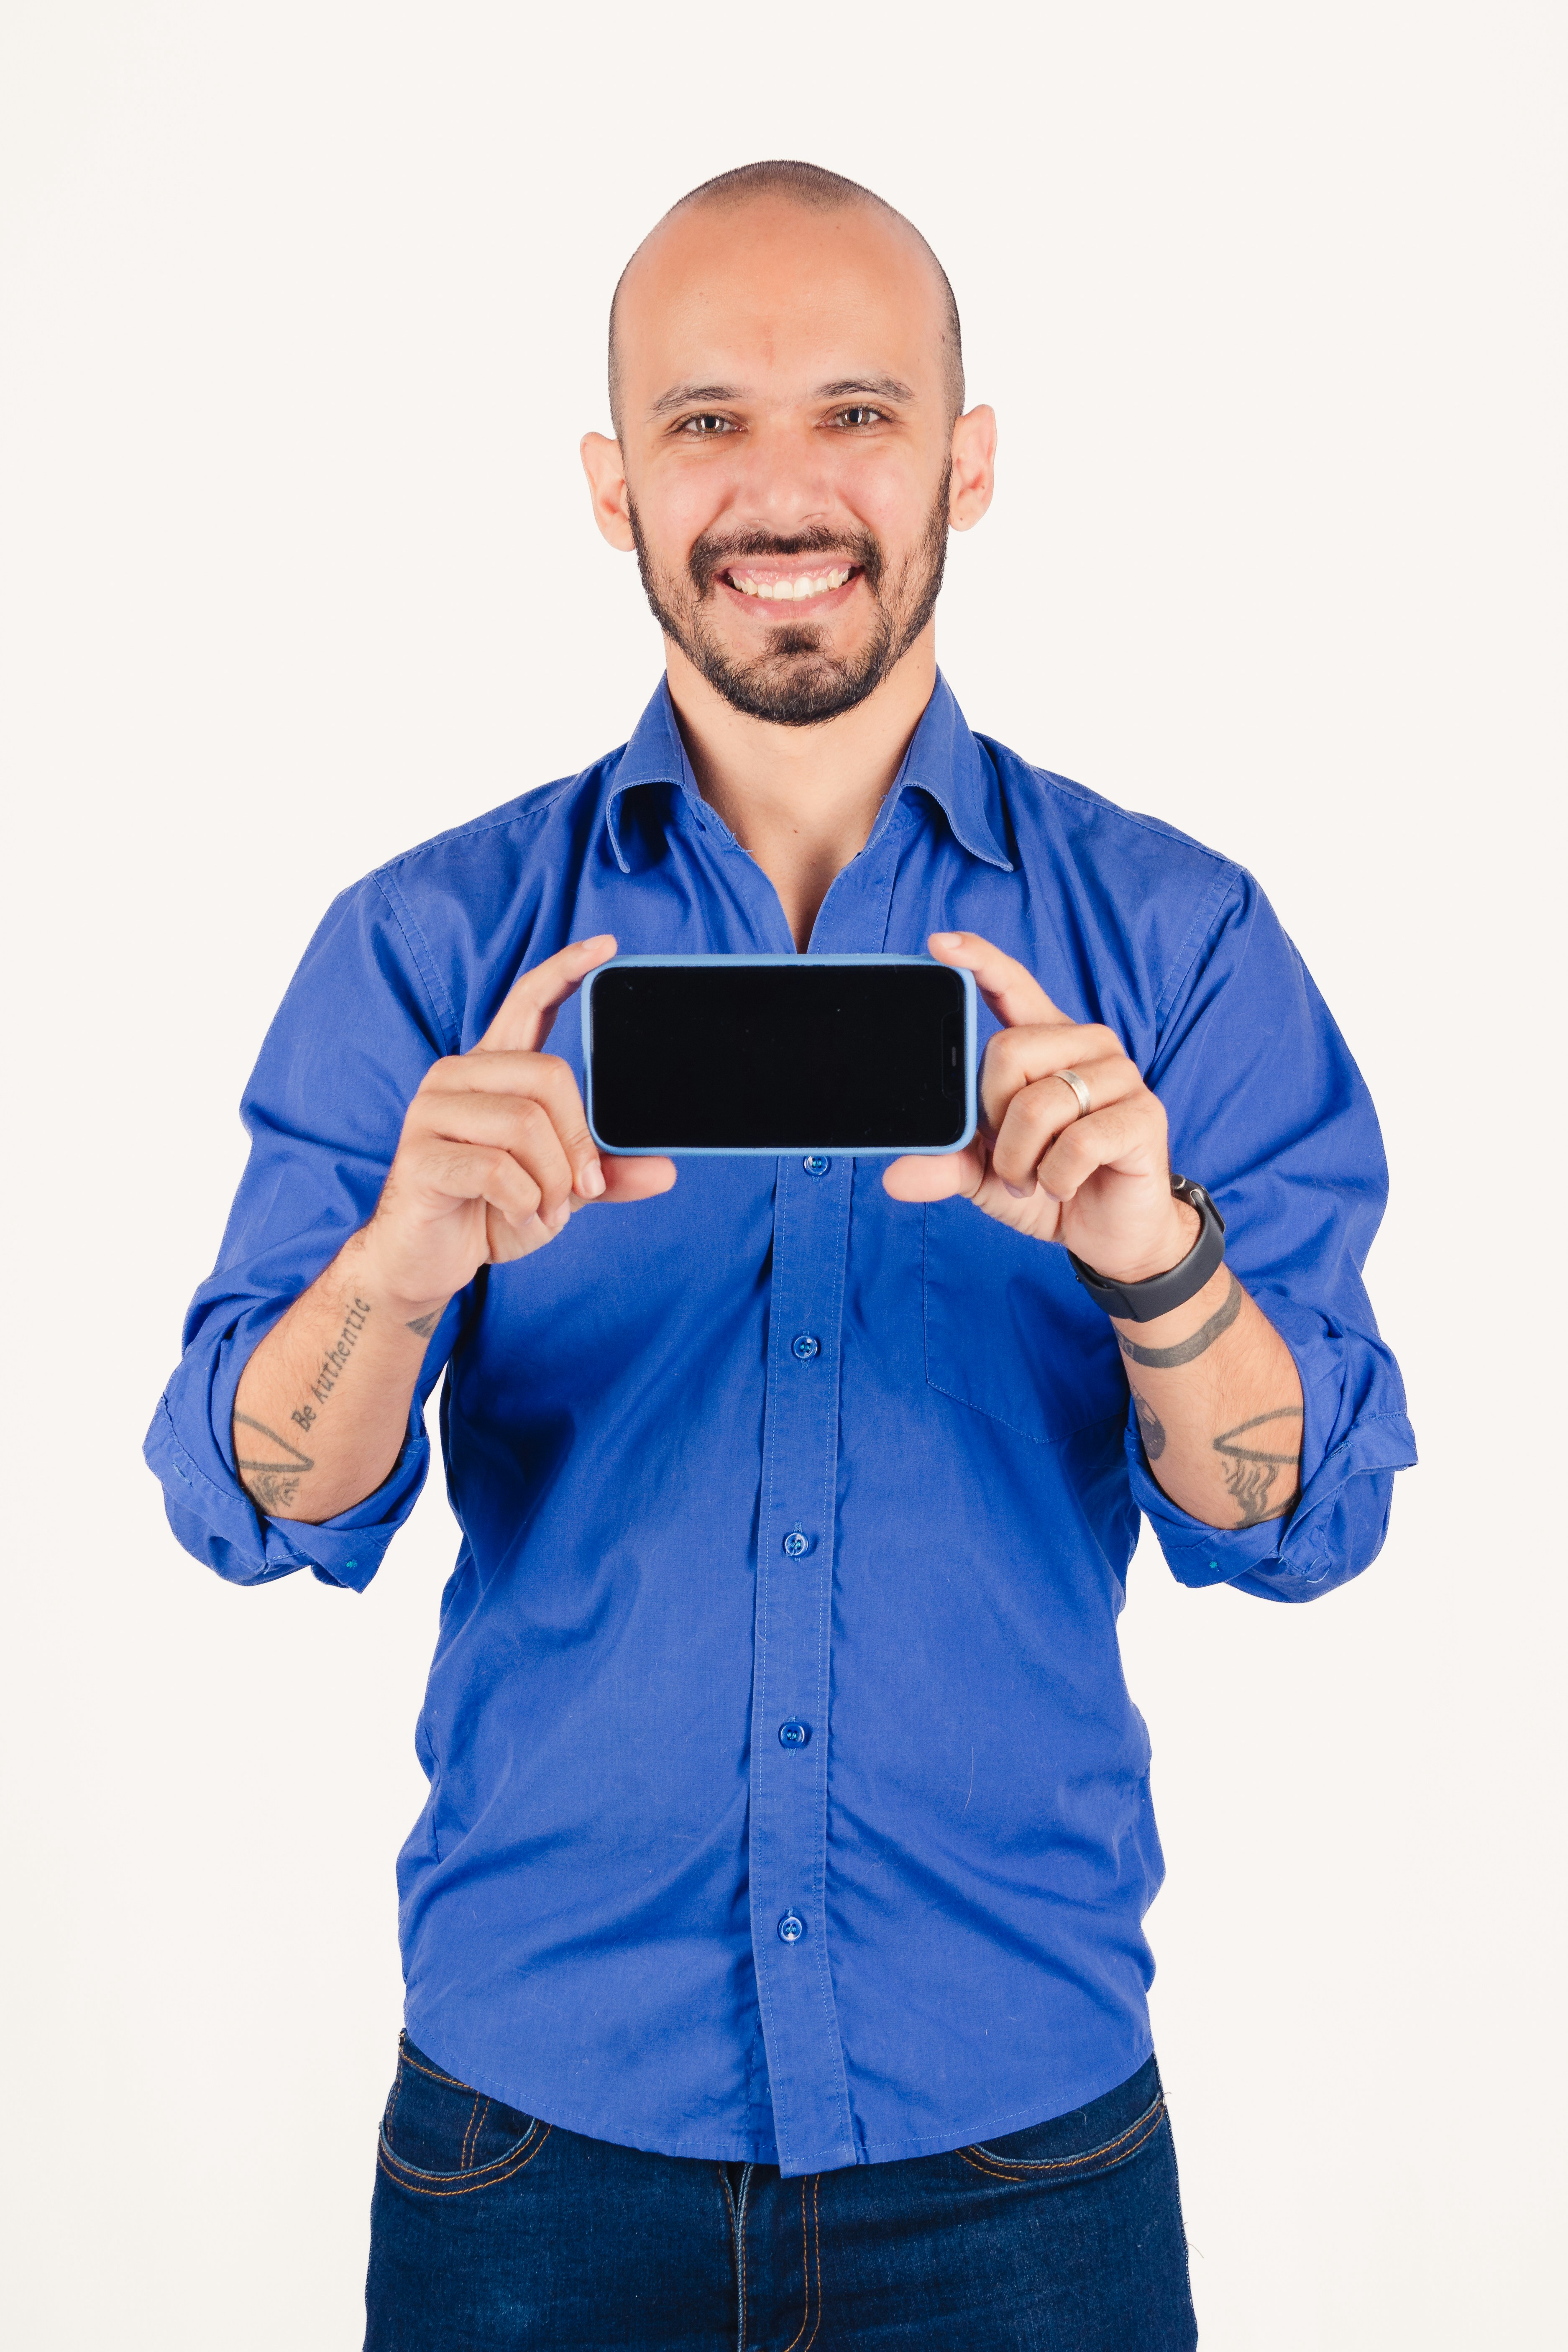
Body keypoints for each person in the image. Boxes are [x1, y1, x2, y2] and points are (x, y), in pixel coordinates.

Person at [146, 160, 1415, 2351]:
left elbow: (1291, 1514)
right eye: (705, 420)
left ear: (968, 458)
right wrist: (396, 1266)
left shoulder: (1176, 946)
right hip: (531, 2148)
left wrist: (1157, 1265)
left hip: (1020, 2143)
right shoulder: (434, 945)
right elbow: (252, 1495)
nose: (781, 485)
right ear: (610, 485)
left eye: (854, 409)